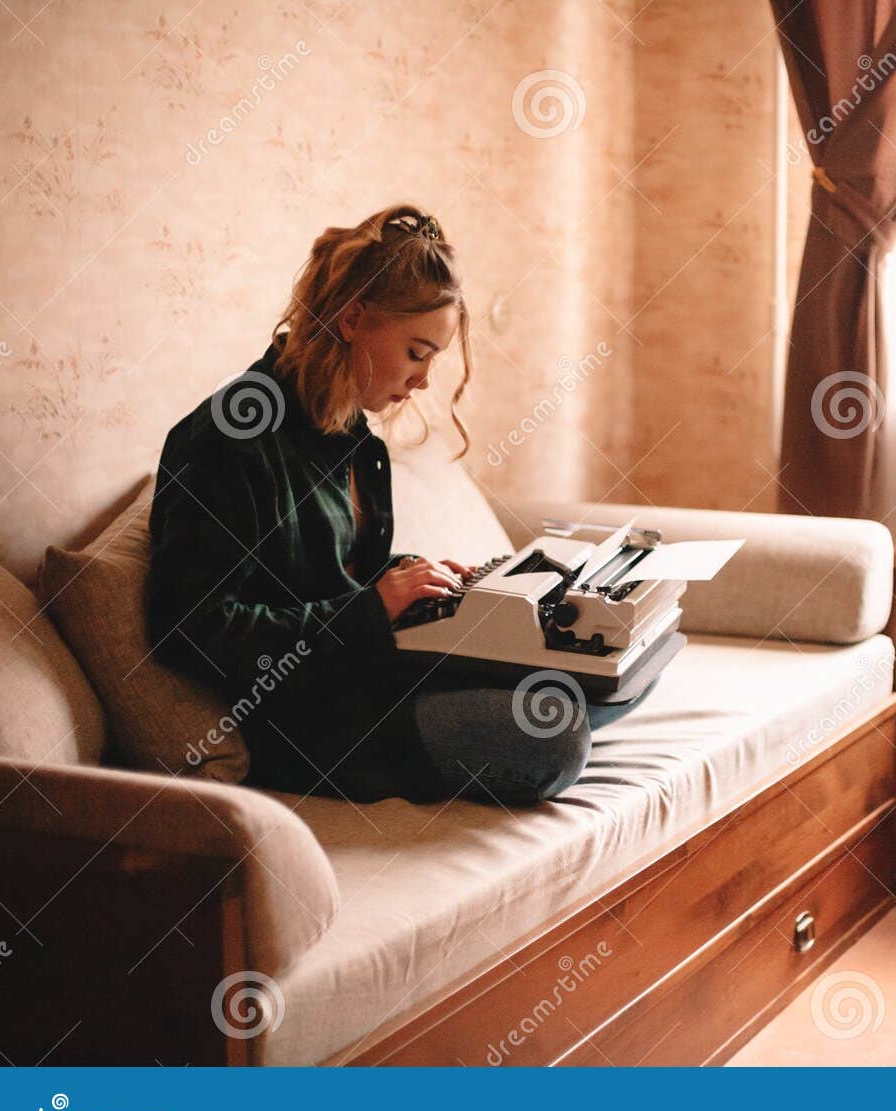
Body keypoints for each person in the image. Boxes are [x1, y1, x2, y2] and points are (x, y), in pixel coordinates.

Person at [147, 204, 634, 805]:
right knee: (554, 734)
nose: (425, 379)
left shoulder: (347, 430)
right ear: (352, 320)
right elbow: (190, 629)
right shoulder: (231, 438)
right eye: (417, 351)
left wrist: (414, 580)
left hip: (377, 668)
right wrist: (370, 609)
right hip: (312, 720)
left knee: (620, 667)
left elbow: (334, 573)